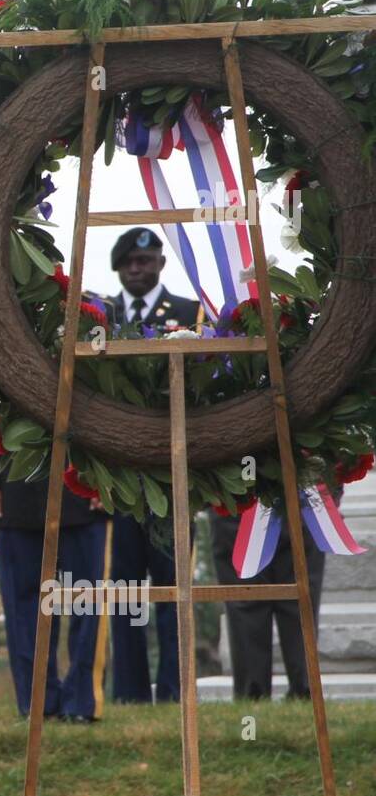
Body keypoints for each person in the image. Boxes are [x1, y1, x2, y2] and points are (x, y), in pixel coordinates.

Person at [106, 227, 200, 703]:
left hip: (172, 474)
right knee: (123, 592)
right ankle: (128, 693)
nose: (137, 269)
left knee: (174, 589)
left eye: (145, 260)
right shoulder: (102, 317)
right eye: (129, 263)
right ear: (119, 268)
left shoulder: (189, 314)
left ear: (161, 263)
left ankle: (175, 690)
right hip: (119, 481)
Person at [0, 425, 107, 721]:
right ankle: (37, 702)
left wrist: (108, 477)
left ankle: (82, 702)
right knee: (24, 607)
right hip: (17, 487)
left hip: (83, 484)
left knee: (87, 600)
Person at [210, 510, 327, 699]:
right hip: (237, 508)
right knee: (246, 602)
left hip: (300, 505)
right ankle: (254, 698)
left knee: (301, 601)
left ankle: (302, 693)